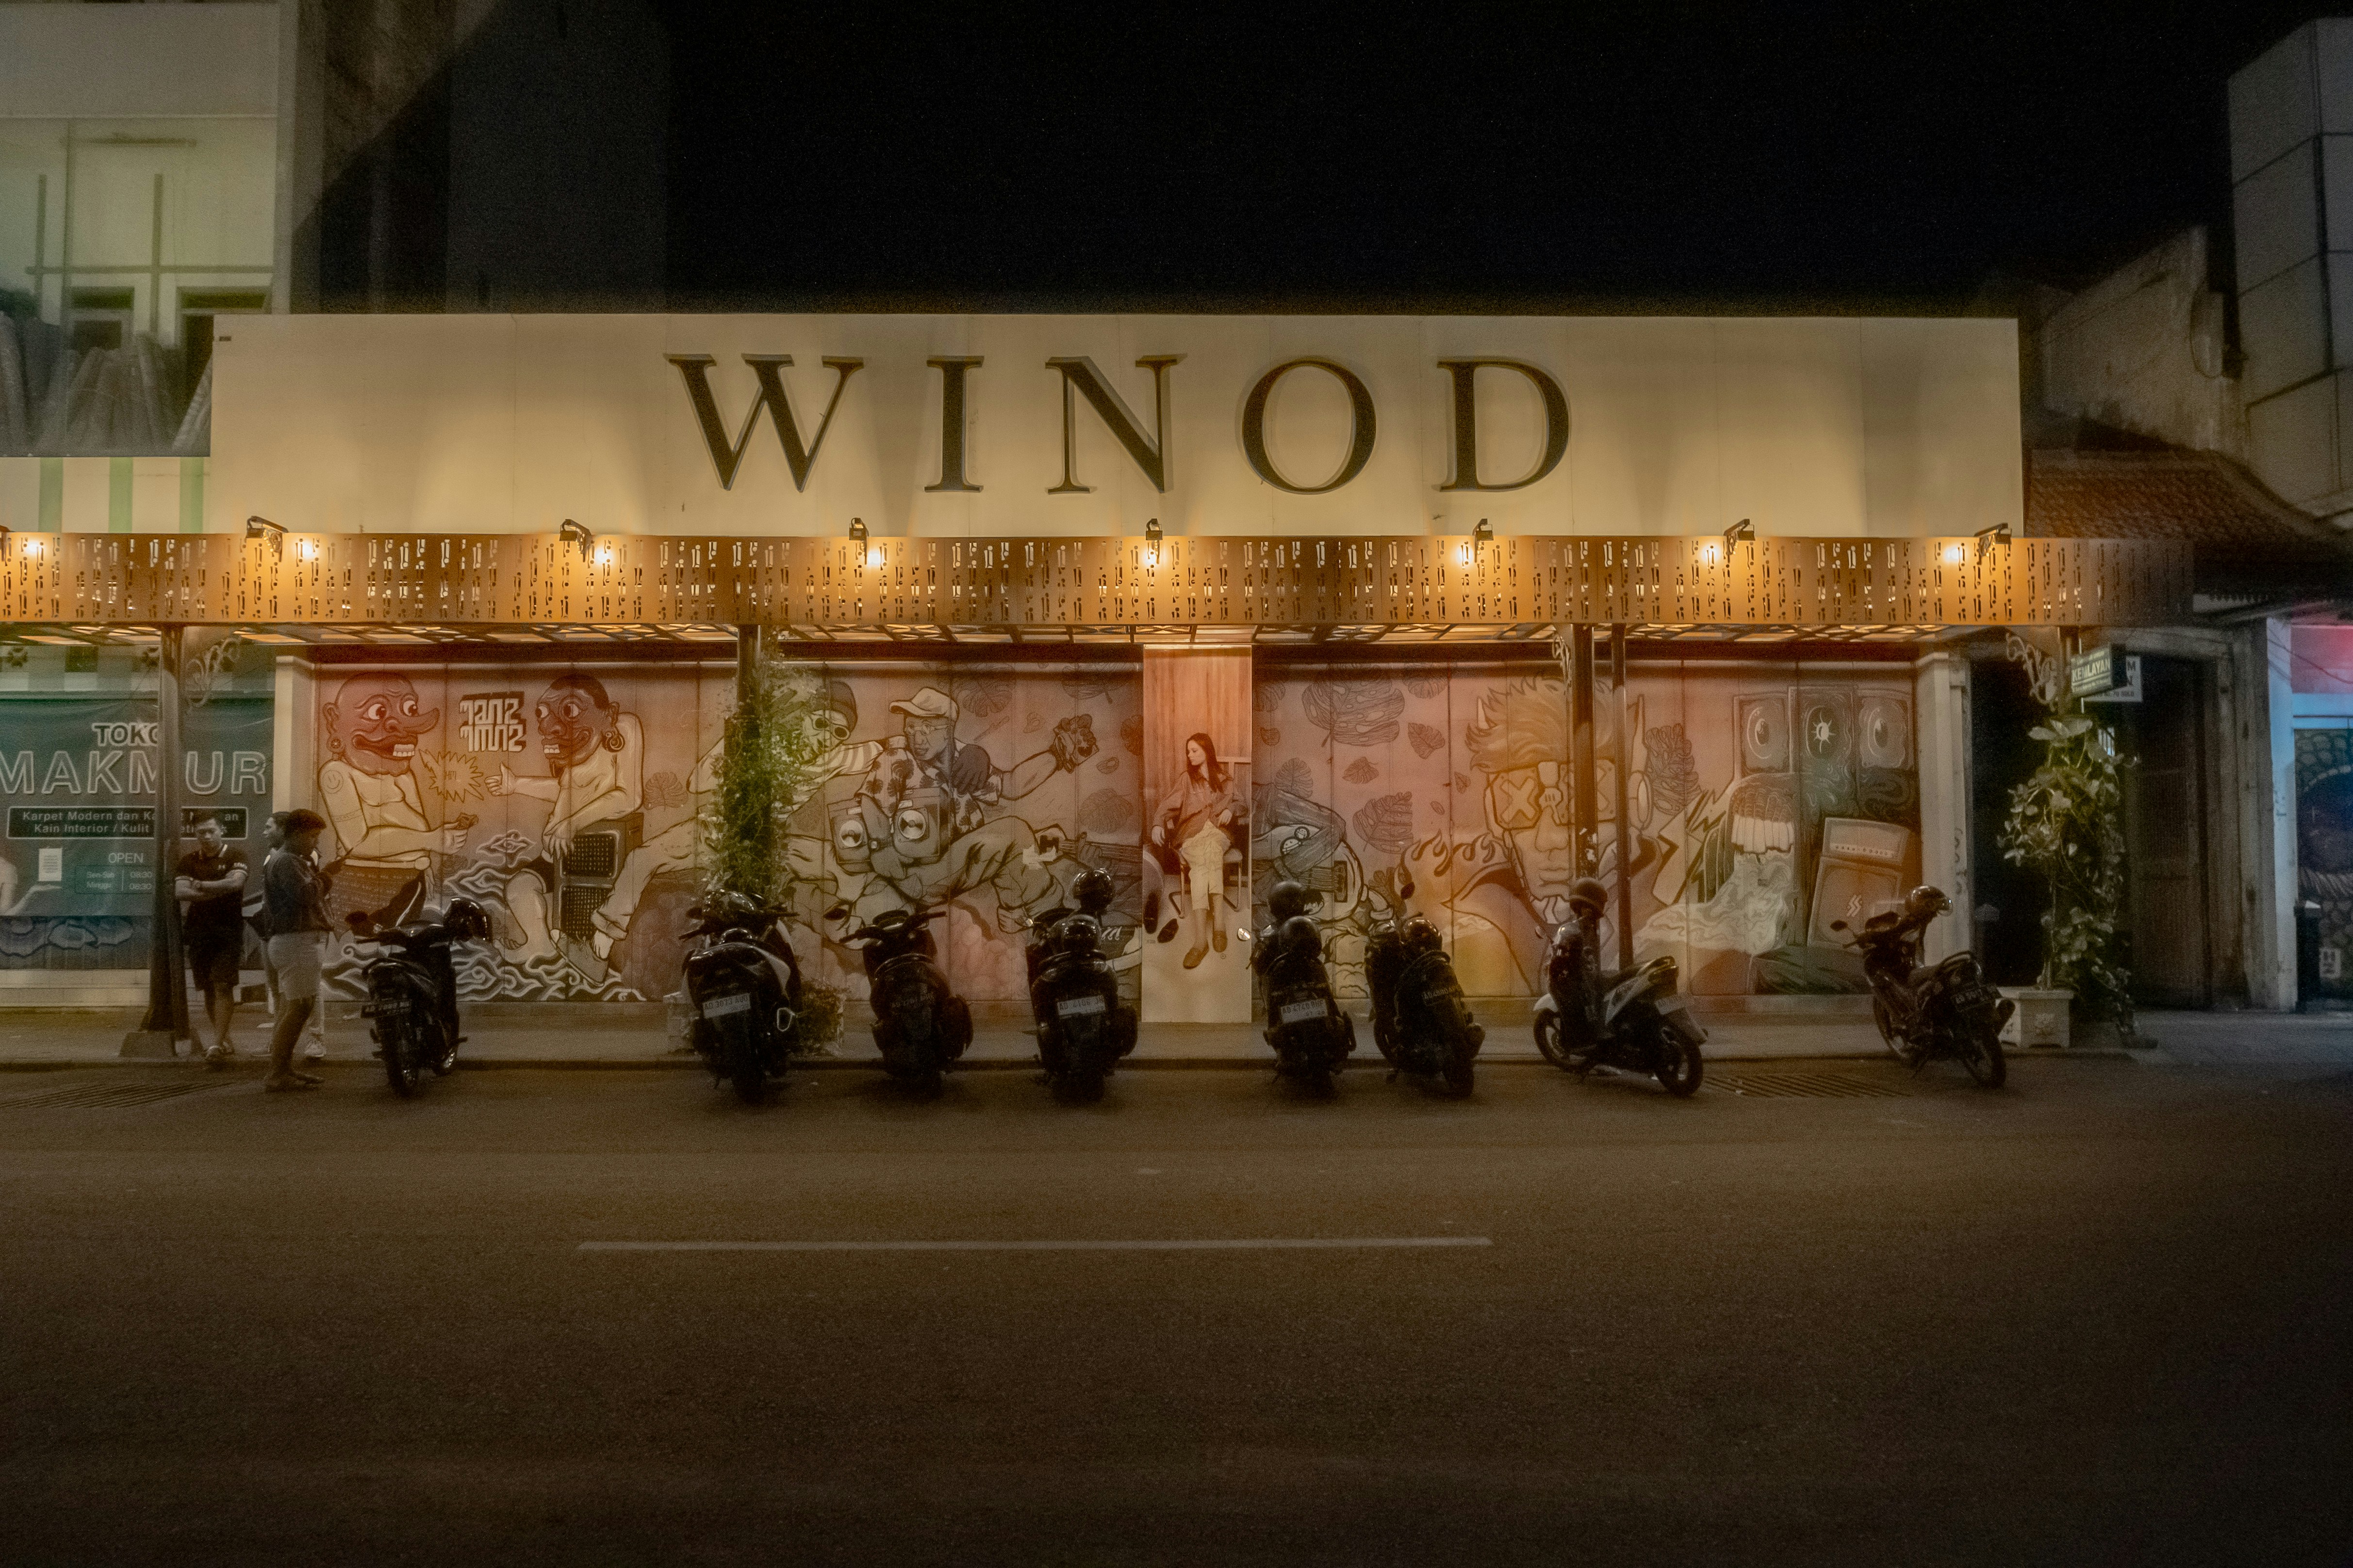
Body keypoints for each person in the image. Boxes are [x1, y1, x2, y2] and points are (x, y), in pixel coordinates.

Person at [262, 809, 333, 1092]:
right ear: (296, 834)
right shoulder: (287, 862)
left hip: (297, 941)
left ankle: (283, 1068)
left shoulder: (290, 861)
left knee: (297, 1007)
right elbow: (305, 896)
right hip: (296, 942)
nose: (315, 842)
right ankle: (278, 1071)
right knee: (297, 1008)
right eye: (313, 836)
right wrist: (327, 876)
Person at [1154, 733, 1237, 970]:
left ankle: (1201, 941)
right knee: (1207, 857)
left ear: (1207, 751)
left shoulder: (1225, 779)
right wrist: (1158, 823)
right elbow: (1166, 806)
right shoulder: (1186, 780)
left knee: (1205, 859)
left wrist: (1231, 808)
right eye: (1188, 751)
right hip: (1191, 835)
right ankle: (1218, 927)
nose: (1190, 756)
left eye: (1195, 751)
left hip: (1219, 832)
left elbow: (1242, 803)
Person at [173, 811, 249, 1068]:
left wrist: (202, 887)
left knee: (223, 986)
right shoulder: (188, 861)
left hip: (228, 931)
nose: (206, 837)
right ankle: (224, 1038)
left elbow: (236, 885)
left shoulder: (236, 856)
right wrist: (217, 888)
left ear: (221, 831)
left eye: (211, 831)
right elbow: (181, 892)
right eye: (200, 833)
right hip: (198, 932)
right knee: (207, 988)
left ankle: (216, 1044)